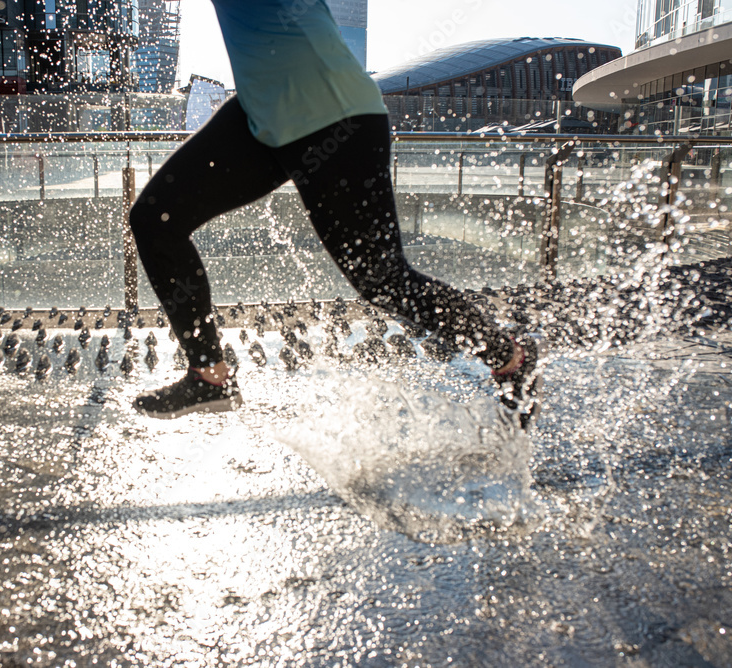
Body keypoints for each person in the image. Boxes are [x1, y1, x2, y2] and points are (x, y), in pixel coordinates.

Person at [129, 0, 541, 427]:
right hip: (262, 110)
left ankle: (510, 357)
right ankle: (209, 376)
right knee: (156, 221)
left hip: (332, 110)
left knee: (383, 280)